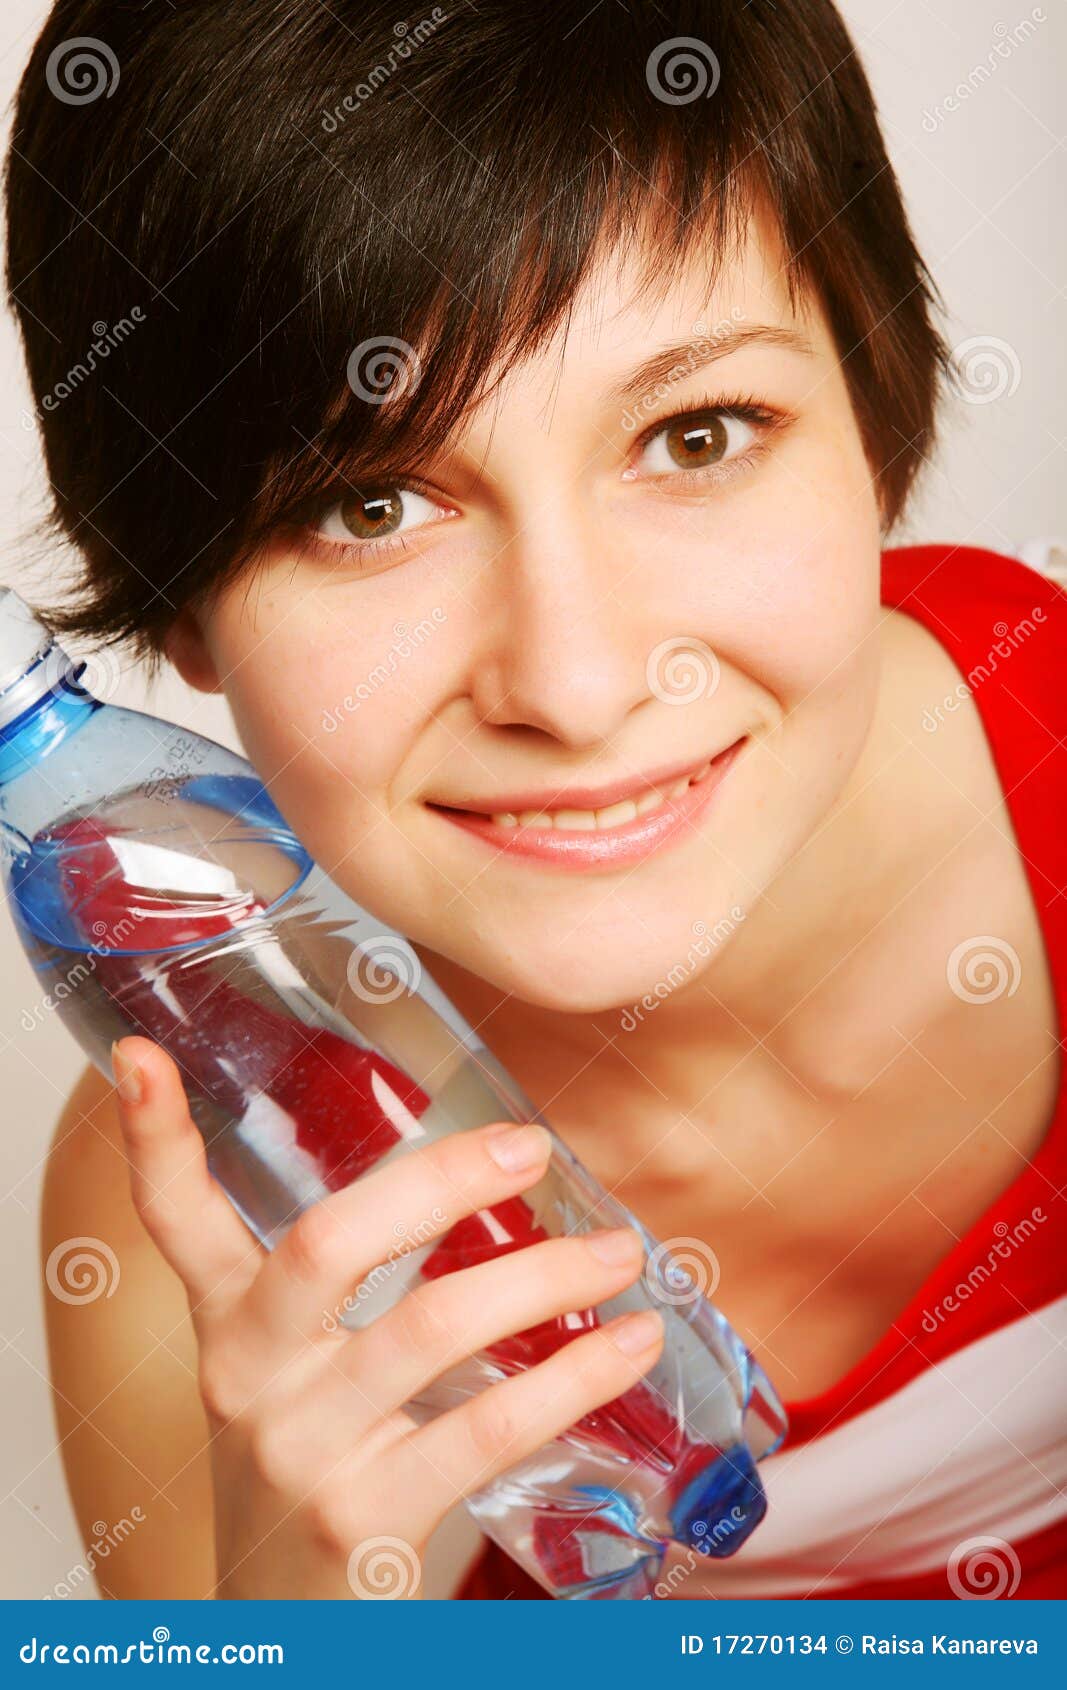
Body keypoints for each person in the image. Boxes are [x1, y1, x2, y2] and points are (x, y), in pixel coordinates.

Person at [7, 0, 1064, 1600]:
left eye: (697, 433)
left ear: (879, 425)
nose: (573, 686)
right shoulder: (196, 1194)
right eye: (371, 504)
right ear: (179, 597)